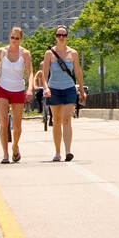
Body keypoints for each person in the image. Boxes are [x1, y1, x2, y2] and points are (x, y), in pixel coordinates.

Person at [41, 27, 86, 162]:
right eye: (59, 35)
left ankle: (68, 151)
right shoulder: (49, 54)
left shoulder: (73, 53)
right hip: (54, 88)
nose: (61, 37)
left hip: (69, 88)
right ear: (55, 36)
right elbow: (44, 73)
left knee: (67, 119)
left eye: (64, 35)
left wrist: (82, 89)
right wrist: (46, 87)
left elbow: (78, 72)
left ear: (67, 37)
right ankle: (57, 152)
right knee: (56, 121)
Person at [0, 28, 33, 164]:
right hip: (2, 89)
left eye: (17, 38)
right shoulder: (2, 52)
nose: (14, 40)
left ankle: (15, 146)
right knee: (4, 122)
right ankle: (5, 154)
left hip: (18, 89)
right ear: (9, 37)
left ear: (21, 39)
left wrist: (30, 89)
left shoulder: (25, 54)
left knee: (18, 126)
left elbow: (30, 72)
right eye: (12, 37)